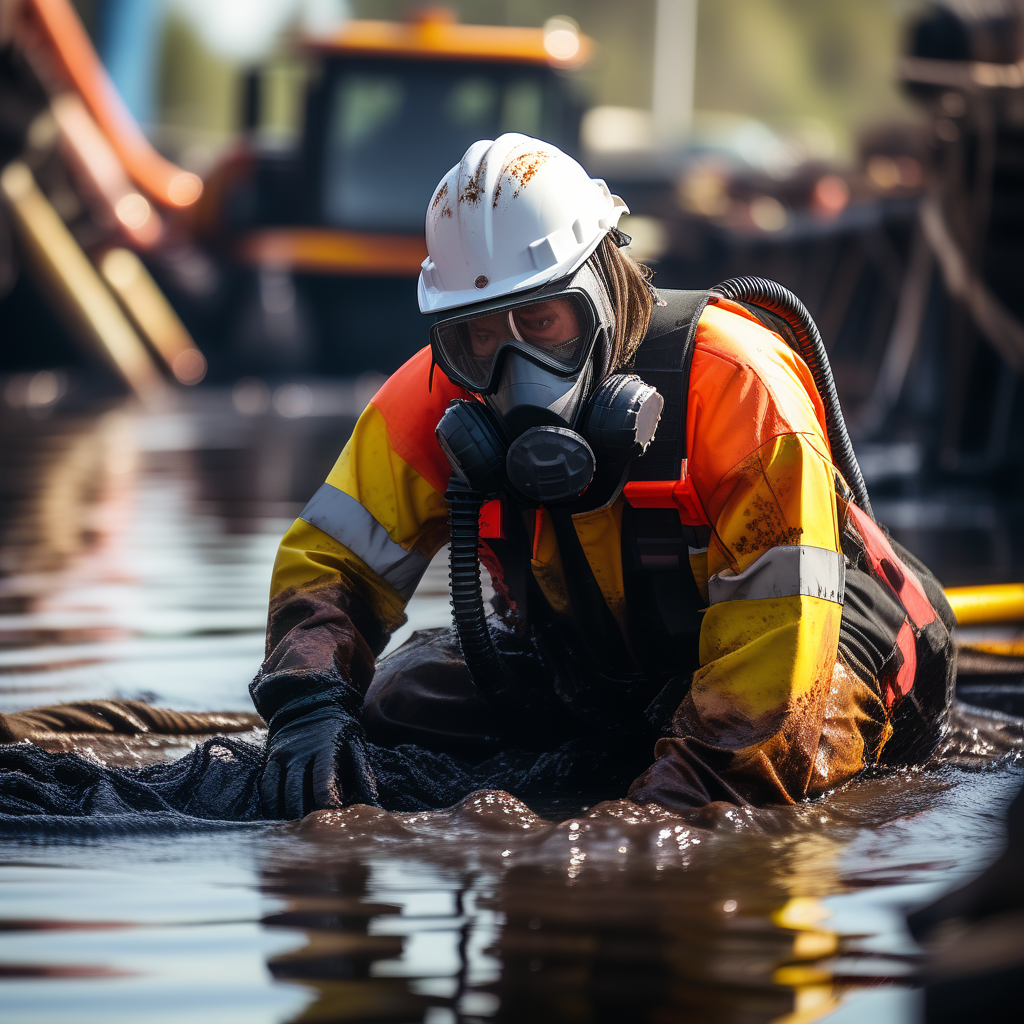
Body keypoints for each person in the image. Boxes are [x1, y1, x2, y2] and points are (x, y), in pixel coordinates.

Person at [251, 134, 956, 820]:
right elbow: (333, 559)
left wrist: (635, 830)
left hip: (826, 644)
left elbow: (774, 685)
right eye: (483, 337)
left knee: (778, 754)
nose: (514, 369)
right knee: (395, 705)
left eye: (541, 320)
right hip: (606, 666)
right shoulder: (440, 397)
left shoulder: (740, 388)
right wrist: (308, 704)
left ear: (603, 288)